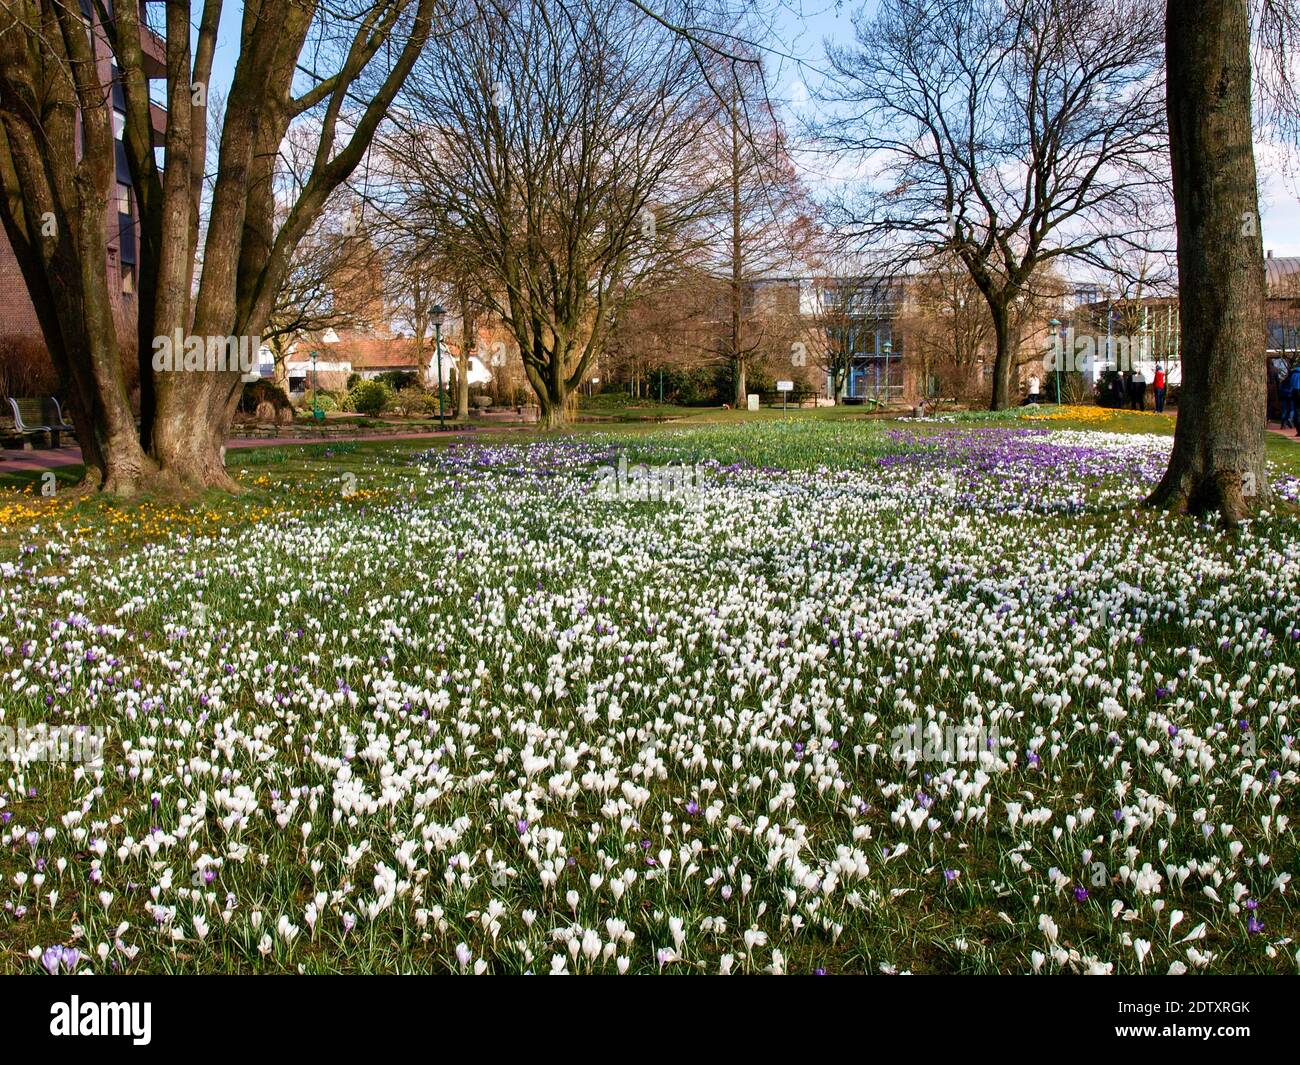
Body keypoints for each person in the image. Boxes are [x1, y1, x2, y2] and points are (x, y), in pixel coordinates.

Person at [1282, 363, 1296, 429]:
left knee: (1284, 410)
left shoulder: (1284, 381)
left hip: (1284, 396)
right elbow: (1293, 387)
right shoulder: (1293, 380)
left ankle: (1283, 424)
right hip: (1290, 396)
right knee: (1291, 409)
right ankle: (1290, 419)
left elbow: (1281, 388)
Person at [1290, 362, 1300, 435]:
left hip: (1295, 392)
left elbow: (1291, 384)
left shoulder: (1293, 374)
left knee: (1297, 411)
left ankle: (1298, 430)